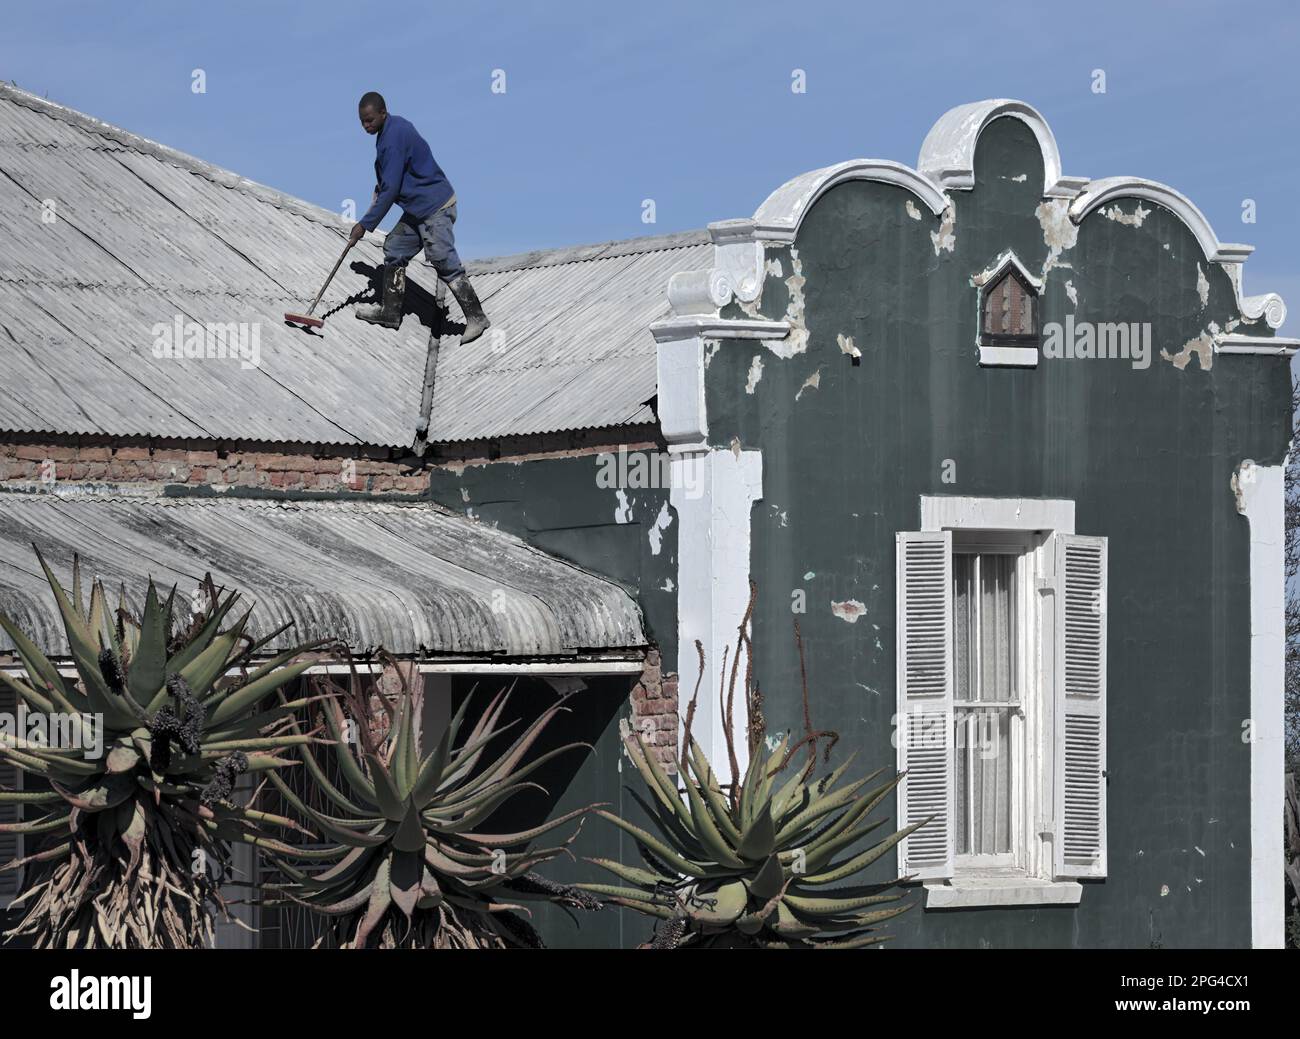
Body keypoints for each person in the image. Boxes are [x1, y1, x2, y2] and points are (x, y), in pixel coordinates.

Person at [348, 91, 489, 343]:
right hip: (417, 209)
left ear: (383, 113)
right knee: (395, 247)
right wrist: (381, 186)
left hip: (435, 207)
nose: (365, 126)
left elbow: (392, 188)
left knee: (441, 257)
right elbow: (392, 178)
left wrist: (364, 225)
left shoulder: (393, 137)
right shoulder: (390, 130)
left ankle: (476, 316)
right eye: (362, 121)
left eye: (369, 120)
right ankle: (390, 313)